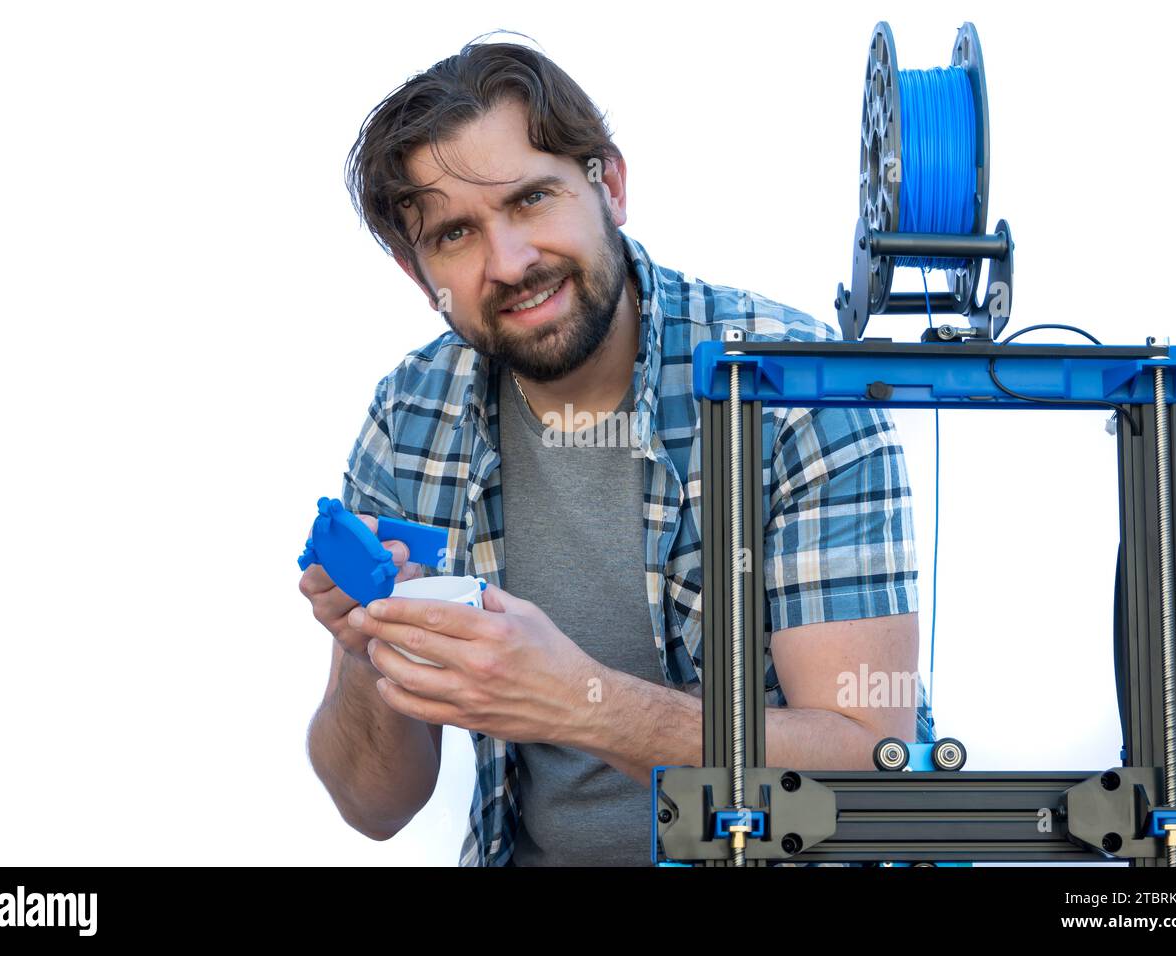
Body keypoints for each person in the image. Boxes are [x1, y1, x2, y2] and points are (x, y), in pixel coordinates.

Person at [298, 35, 932, 867]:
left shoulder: (794, 389)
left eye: (531, 199)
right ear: (420, 275)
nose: (510, 262)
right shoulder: (410, 415)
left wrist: (577, 702)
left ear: (611, 184)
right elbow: (371, 806)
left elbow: (870, 766)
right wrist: (366, 647)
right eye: (455, 234)